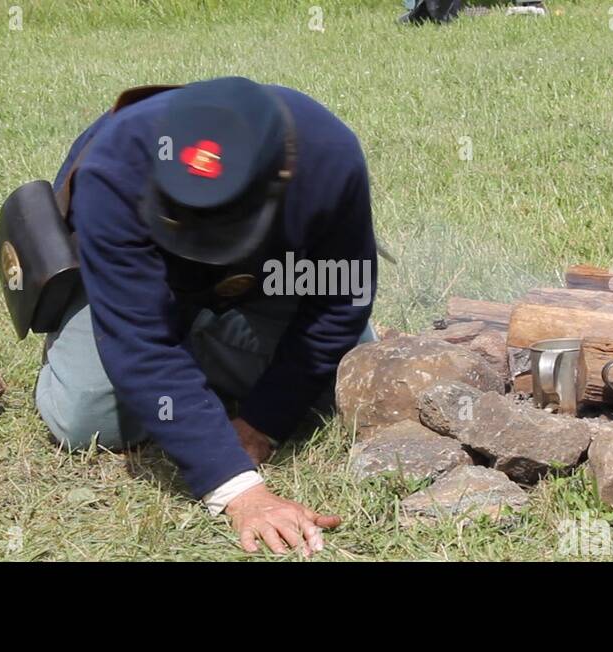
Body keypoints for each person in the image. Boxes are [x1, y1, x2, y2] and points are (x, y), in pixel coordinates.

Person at [34, 76, 378, 555]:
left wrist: (263, 422)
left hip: (265, 278)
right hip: (144, 287)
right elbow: (139, 338)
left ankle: (192, 361)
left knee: (349, 376)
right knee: (86, 418)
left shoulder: (329, 156)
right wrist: (237, 488)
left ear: (283, 176)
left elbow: (340, 300)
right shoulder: (115, 161)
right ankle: (118, 347)